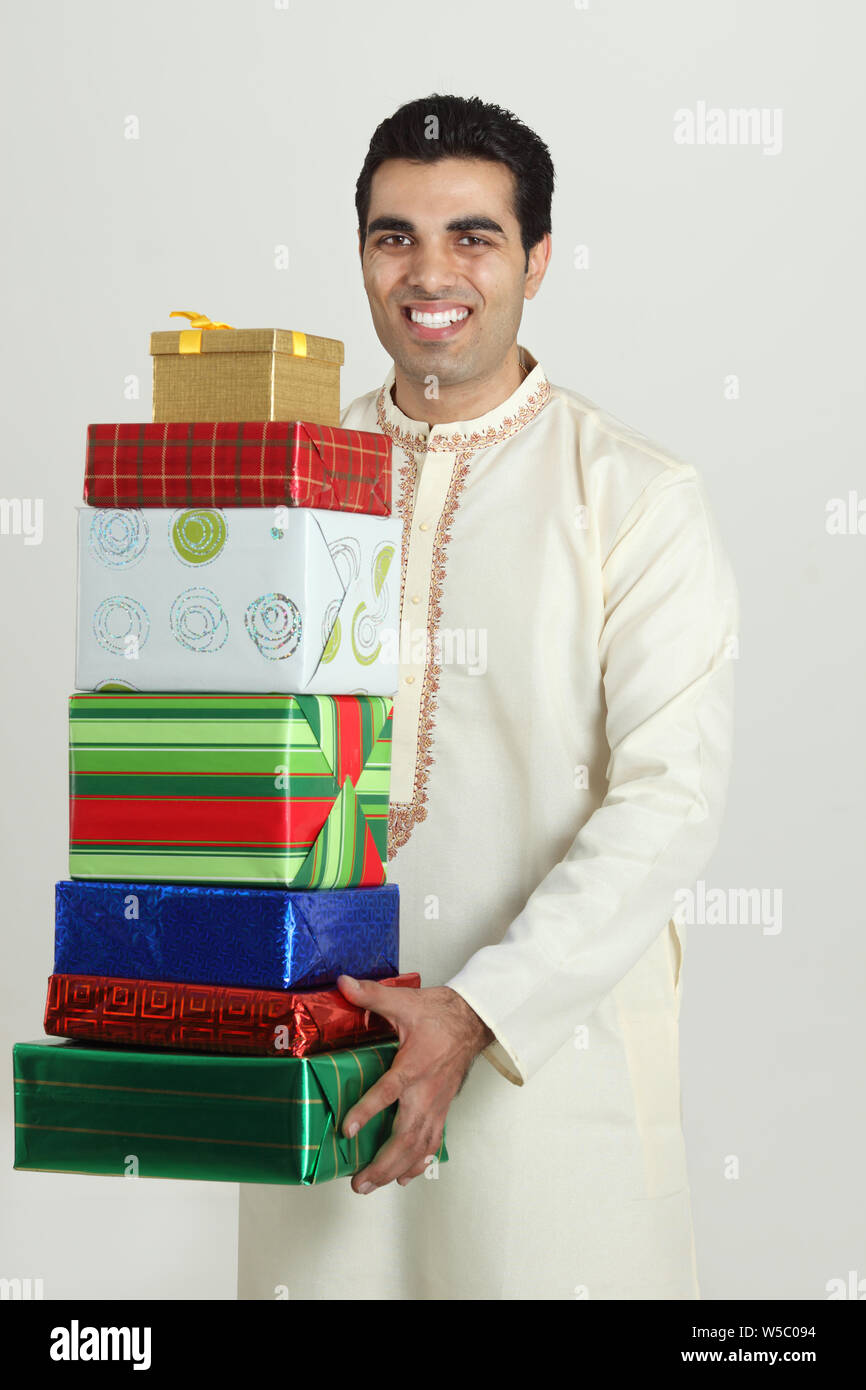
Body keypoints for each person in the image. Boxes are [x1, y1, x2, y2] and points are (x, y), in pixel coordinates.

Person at [237, 93, 738, 1300]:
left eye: (472, 235)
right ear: (360, 254)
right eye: (392, 236)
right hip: (326, 1041)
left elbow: (667, 804)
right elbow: (225, 756)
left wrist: (474, 1011)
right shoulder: (284, 480)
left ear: (537, 260)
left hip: (546, 1059)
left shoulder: (630, 495)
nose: (428, 272)